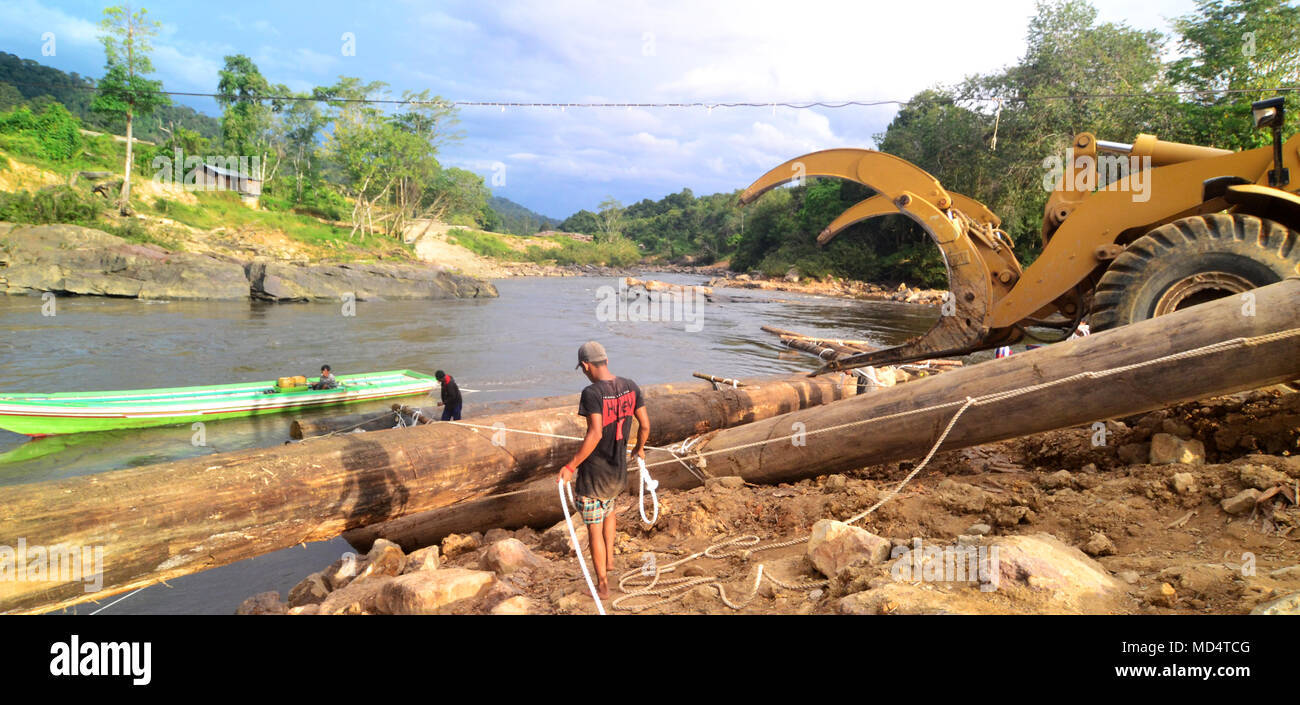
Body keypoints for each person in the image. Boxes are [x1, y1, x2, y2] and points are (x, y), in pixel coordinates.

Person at [558, 341, 649, 599]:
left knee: (594, 529)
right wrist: (639, 449)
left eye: (583, 368)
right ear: (606, 360)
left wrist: (570, 465)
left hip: (594, 475)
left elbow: (595, 433)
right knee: (610, 512)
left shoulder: (591, 393)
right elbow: (645, 425)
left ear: (586, 366)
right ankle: (609, 561)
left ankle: (602, 585)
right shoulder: (630, 386)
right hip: (617, 472)